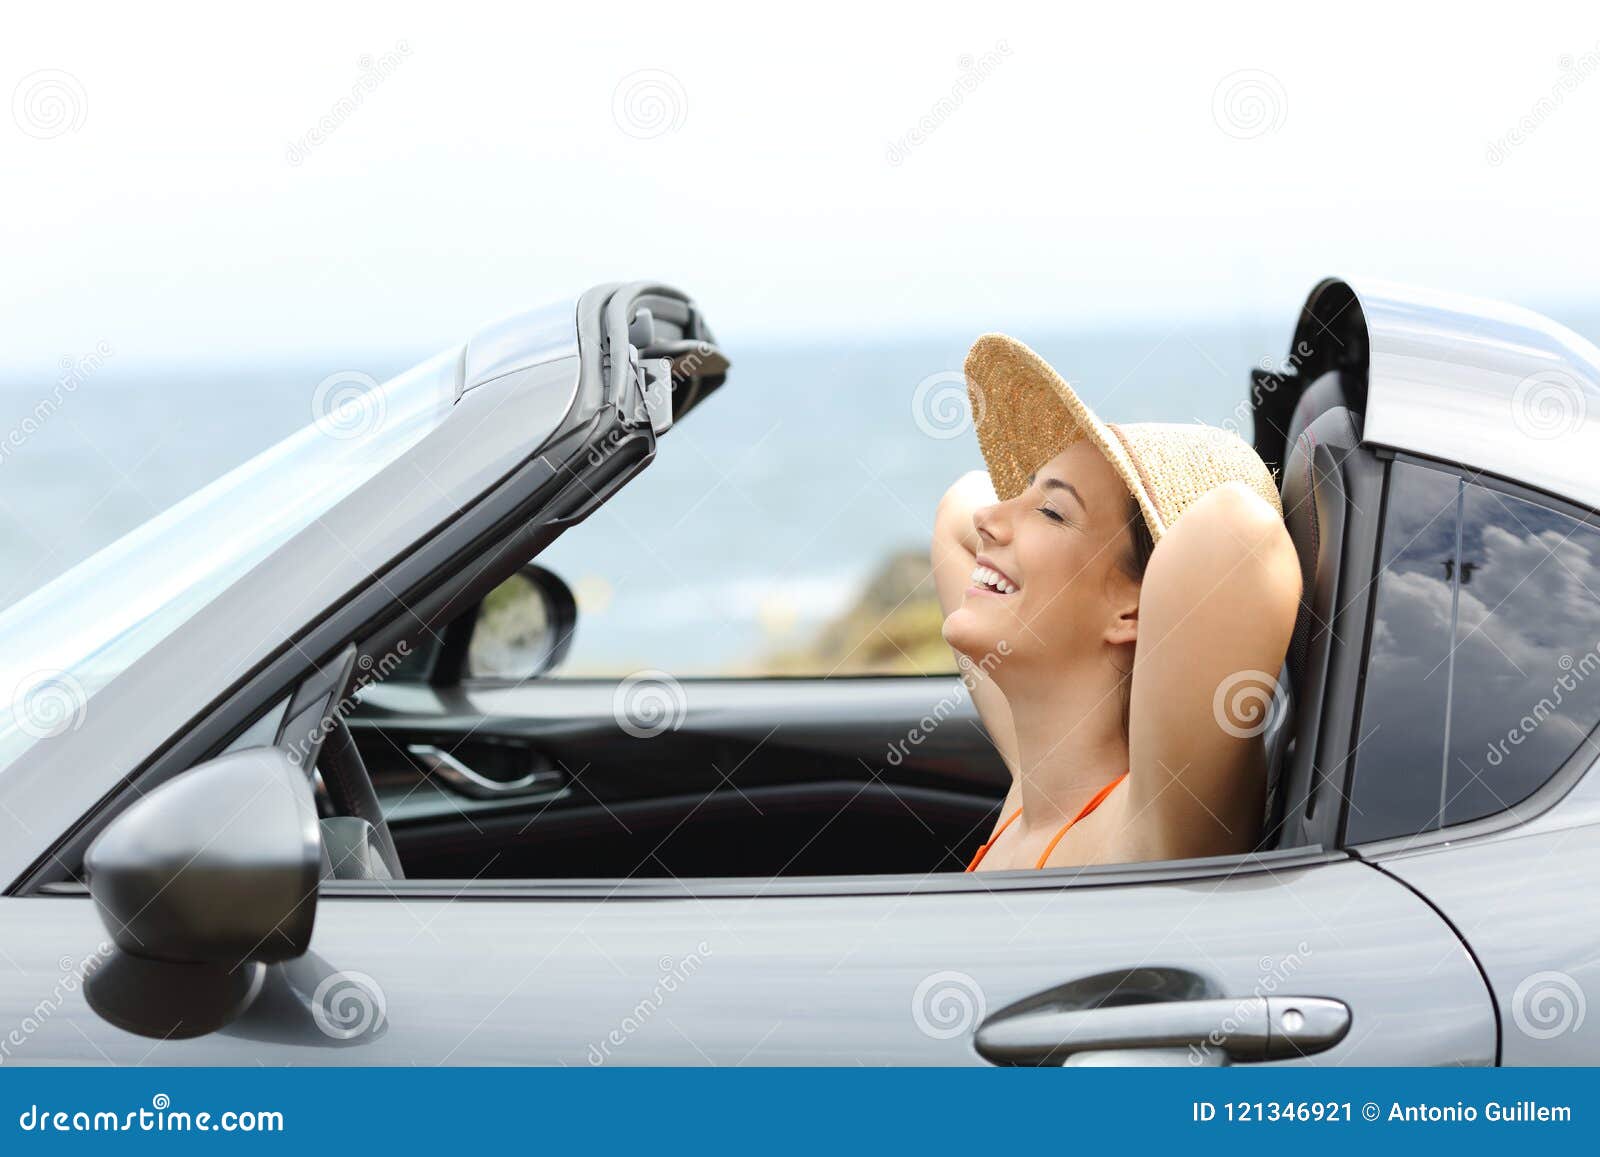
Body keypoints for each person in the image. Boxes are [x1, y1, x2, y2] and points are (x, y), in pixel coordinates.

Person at [932, 334, 1302, 872]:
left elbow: (1238, 532)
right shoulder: (1033, 792)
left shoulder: (1153, 827)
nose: (988, 521)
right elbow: (957, 508)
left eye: (1053, 512)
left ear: (1133, 610)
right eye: (1024, 493)